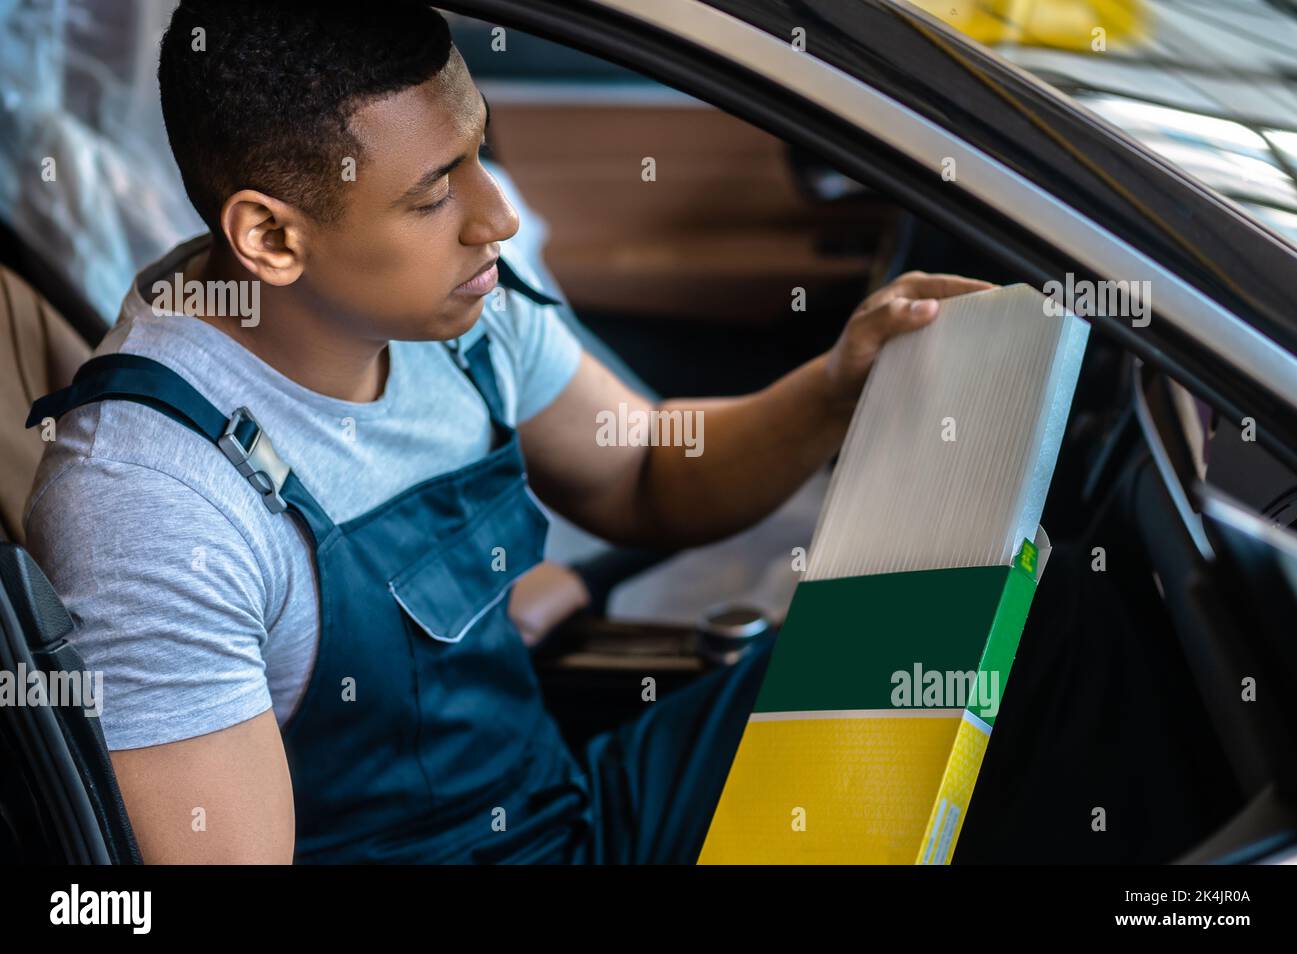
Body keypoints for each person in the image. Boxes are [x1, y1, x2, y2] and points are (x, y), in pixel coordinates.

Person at [22, 0, 992, 863]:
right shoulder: (153, 504)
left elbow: (647, 470)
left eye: (480, 149)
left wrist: (835, 386)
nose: (493, 216)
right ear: (272, 239)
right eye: (434, 192)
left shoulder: (459, 316)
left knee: (995, 634)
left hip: (569, 815)